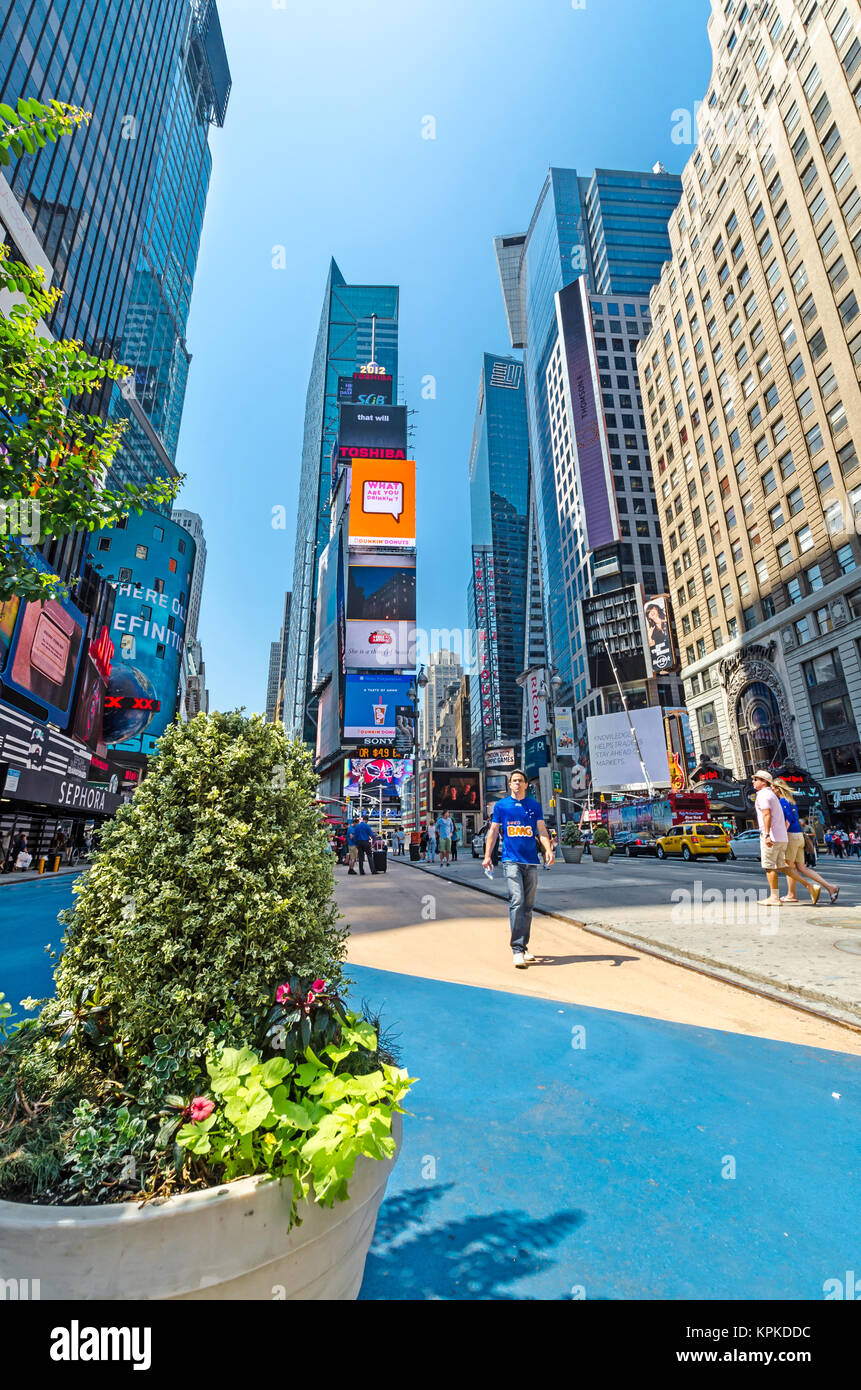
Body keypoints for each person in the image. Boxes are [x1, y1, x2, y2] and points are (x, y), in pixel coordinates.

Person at [483, 768, 553, 968]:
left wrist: (548, 849)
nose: (517, 784)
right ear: (510, 784)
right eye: (514, 781)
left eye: (520, 781)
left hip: (531, 861)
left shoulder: (534, 806)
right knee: (517, 901)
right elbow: (493, 832)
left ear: (525, 784)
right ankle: (516, 949)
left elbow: (541, 829)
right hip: (510, 860)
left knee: (528, 907)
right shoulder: (502, 806)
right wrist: (488, 856)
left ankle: (524, 946)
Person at [773, 779, 838, 905]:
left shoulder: (782, 801)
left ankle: (793, 894)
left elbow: (788, 820)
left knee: (789, 867)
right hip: (799, 836)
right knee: (801, 867)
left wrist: (781, 837)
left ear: (777, 789)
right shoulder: (792, 801)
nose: (772, 790)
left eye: (773, 788)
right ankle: (830, 887)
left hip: (791, 836)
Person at [752, 770, 805, 906]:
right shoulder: (773, 796)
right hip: (781, 837)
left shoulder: (763, 795)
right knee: (782, 866)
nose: (753, 781)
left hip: (772, 836)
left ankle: (774, 897)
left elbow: (766, 815)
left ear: (764, 782)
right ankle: (810, 885)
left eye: (756, 779)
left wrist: (767, 834)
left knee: (769, 867)